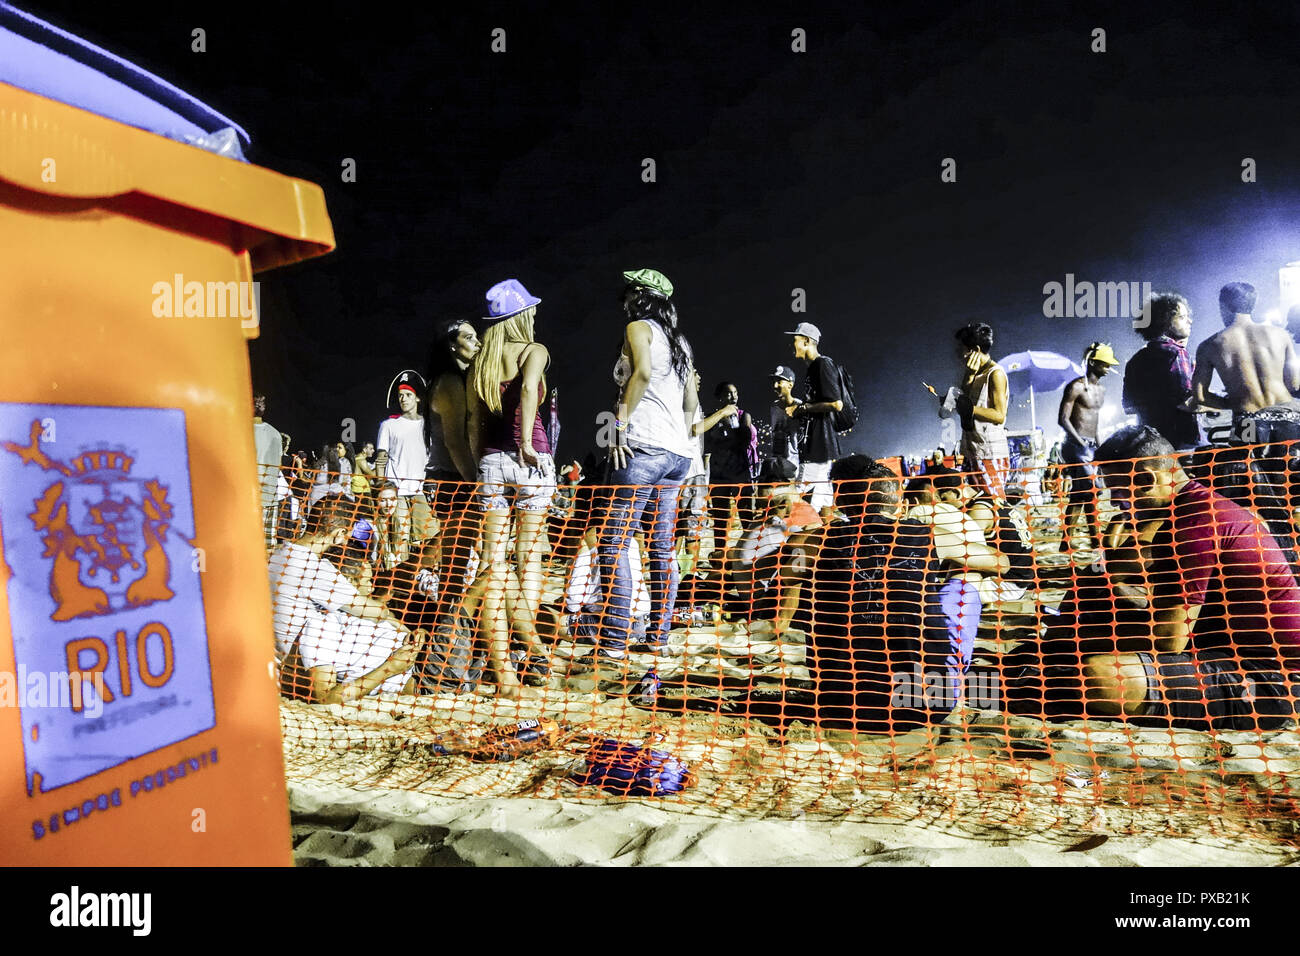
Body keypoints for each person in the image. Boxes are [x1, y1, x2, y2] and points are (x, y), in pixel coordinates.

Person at [1078, 425, 1300, 730]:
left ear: (1146, 480)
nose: (1115, 502)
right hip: (1231, 653)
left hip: (1272, 681)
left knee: (1102, 677)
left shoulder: (1195, 522)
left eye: (1116, 489)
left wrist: (1091, 636)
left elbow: (1168, 641)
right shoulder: (1193, 508)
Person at [596, 268, 698, 660]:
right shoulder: (682, 342)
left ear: (640, 298)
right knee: (660, 547)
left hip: (641, 446)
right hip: (676, 454)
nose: (624, 302)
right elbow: (690, 401)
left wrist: (619, 426)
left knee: (613, 542)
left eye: (629, 295)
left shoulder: (638, 327)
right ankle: (657, 638)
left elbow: (639, 374)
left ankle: (613, 642)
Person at [468, 279, 556, 698]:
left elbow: (472, 423)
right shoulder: (533, 351)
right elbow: (526, 389)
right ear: (522, 314)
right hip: (530, 458)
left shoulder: (480, 361)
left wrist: (479, 463)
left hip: (490, 462)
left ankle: (503, 674)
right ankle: (535, 653)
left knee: (494, 564)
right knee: (529, 561)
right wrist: (523, 443)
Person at [269, 495, 427, 703]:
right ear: (339, 533)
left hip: (298, 661)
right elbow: (371, 611)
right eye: (346, 536)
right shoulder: (314, 569)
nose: (345, 543)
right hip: (320, 664)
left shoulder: (278, 556)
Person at [1186, 281, 1300, 443]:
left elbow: (1200, 396)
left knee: (1248, 467)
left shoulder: (1209, 345)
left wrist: (1232, 401)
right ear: (1252, 305)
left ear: (1223, 306)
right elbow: (1294, 384)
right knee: (1292, 467)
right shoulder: (1281, 335)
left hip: (1247, 421)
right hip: (1289, 416)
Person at [1057, 342, 1120, 551]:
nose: (1108, 369)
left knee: (1081, 494)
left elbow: (1096, 422)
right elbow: (1063, 419)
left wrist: (1100, 447)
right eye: (1104, 364)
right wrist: (1080, 441)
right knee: (1092, 491)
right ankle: (1093, 539)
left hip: (1091, 447)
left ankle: (1069, 542)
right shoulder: (1076, 386)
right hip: (1076, 447)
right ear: (1093, 362)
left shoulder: (1100, 390)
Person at [1123, 292, 1201, 450]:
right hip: (1181, 441)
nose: (1190, 321)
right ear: (1165, 320)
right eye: (1182, 317)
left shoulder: (1135, 360)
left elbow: (1128, 406)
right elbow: (1187, 401)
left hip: (1150, 445)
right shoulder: (1176, 353)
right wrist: (1224, 402)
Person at [375, 371, 434, 561]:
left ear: (417, 397)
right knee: (400, 540)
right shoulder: (389, 425)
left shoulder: (428, 425)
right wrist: (381, 485)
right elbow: (381, 458)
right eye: (400, 395)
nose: (403, 399)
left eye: (408, 394)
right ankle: (399, 585)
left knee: (430, 536)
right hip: (396, 491)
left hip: (420, 490)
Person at [785, 321, 843, 514]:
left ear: (807, 341)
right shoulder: (812, 369)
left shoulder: (822, 364)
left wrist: (801, 409)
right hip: (817, 446)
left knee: (801, 501)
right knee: (823, 505)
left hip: (819, 446)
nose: (791, 344)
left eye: (795, 340)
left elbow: (836, 404)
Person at [948, 322, 1010, 501]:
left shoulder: (995, 374)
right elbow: (963, 402)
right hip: (972, 450)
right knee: (977, 505)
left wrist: (971, 409)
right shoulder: (973, 373)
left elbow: (999, 415)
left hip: (989, 453)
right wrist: (968, 377)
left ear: (974, 349)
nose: (958, 353)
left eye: (961, 348)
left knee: (994, 505)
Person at [427, 317, 482, 501]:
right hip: (455, 479)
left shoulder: (459, 380)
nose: (478, 343)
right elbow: (454, 441)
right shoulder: (450, 382)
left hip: (457, 477)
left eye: (476, 337)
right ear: (452, 346)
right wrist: (475, 483)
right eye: (468, 338)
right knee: (459, 529)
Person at [701, 380, 756, 561]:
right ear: (719, 397)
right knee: (720, 520)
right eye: (728, 393)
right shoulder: (711, 417)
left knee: (746, 516)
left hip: (740, 472)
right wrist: (732, 436)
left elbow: (745, 439)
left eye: (735, 393)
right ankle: (720, 558)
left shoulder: (743, 415)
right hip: (718, 475)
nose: (733, 397)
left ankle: (750, 554)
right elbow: (707, 444)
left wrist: (722, 440)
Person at [252, 393, 283, 548]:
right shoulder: (276, 434)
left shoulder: (242, 431)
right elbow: (279, 465)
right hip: (270, 497)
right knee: (266, 547)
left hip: (249, 499)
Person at [769, 365, 803, 475]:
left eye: (779, 381)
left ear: (790, 384)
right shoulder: (774, 407)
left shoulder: (800, 406)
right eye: (774, 382)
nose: (774, 386)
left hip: (797, 465)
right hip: (779, 465)